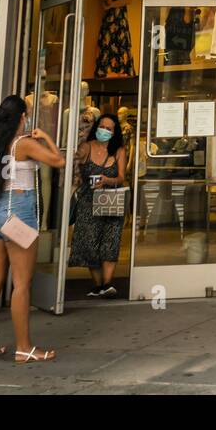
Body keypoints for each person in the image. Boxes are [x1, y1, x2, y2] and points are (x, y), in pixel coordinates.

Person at [0, 95, 65, 363]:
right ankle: (24, 347)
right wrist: (45, 136)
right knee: (22, 285)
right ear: (22, 117)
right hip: (18, 215)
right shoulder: (23, 144)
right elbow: (58, 161)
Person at [70, 113, 129, 297]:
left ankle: (107, 283)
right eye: (102, 126)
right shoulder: (86, 147)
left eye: (109, 128)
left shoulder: (118, 150)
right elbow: (73, 165)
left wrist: (107, 180)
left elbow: (121, 177)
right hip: (88, 201)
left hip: (111, 200)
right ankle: (98, 286)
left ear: (114, 132)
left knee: (110, 242)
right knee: (89, 243)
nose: (104, 130)